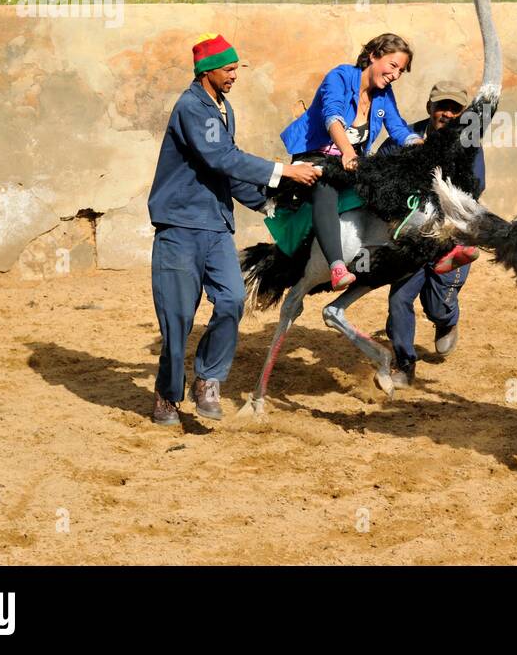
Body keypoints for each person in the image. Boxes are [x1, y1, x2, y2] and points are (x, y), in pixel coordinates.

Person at [147, 33, 320, 426]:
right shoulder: (192, 107)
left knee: (231, 300)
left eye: (236, 69)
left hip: (216, 227)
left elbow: (225, 172)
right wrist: (282, 170)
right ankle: (167, 395)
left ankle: (208, 379)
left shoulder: (223, 110)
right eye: (228, 69)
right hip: (180, 227)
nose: (234, 76)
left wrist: (273, 204)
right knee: (177, 320)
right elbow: (222, 156)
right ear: (207, 71)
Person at [279, 33, 423, 291]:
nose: (395, 75)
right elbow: (332, 117)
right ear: (373, 56)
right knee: (326, 184)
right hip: (316, 155)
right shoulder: (340, 76)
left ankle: (419, 247)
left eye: (401, 71)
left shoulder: (384, 95)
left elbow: (398, 129)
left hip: (351, 161)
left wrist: (419, 144)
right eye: (392, 66)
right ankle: (336, 267)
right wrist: (347, 151)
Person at [382, 81, 486, 388]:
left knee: (436, 305)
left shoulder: (469, 147)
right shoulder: (404, 137)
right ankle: (404, 364)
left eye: (455, 109)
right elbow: (380, 170)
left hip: (451, 242)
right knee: (399, 298)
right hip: (413, 240)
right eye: (442, 107)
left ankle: (446, 321)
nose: (448, 114)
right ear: (430, 107)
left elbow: (473, 190)